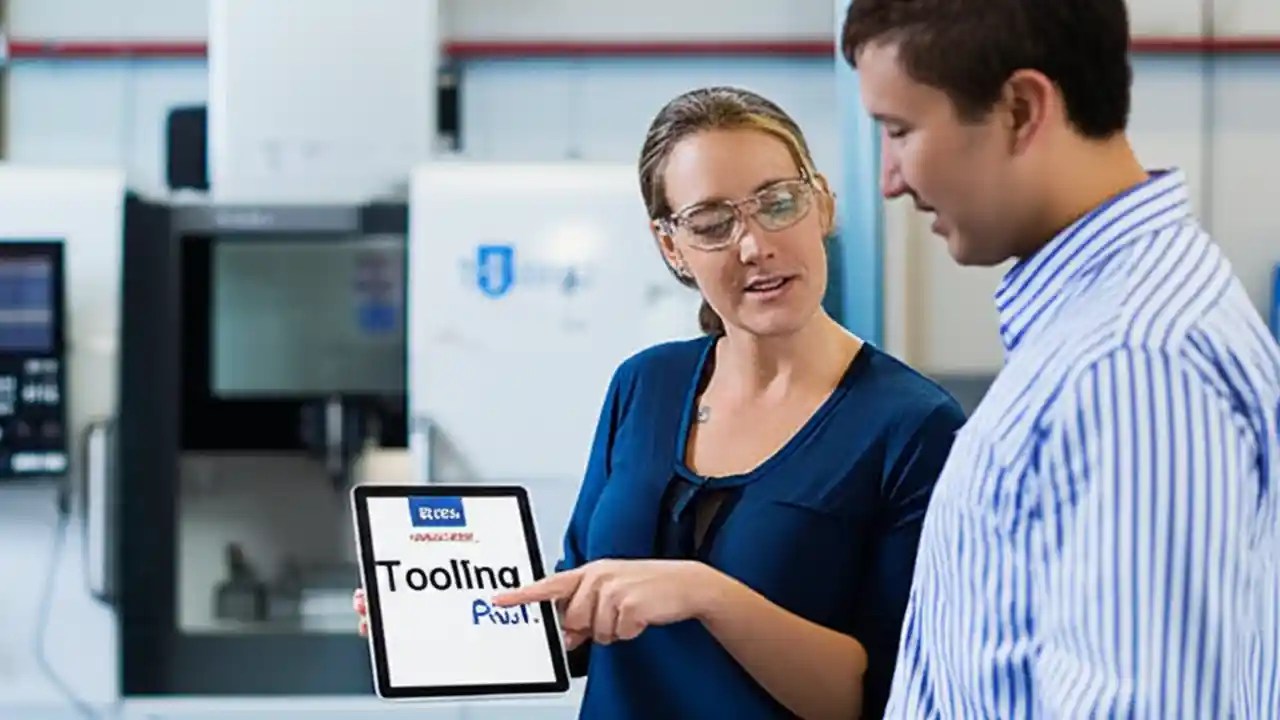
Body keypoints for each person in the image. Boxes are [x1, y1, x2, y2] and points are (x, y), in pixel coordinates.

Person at [356, 86, 966, 719]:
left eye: (778, 204)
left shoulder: (913, 426)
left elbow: (887, 695)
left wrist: (707, 594)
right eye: (711, 223)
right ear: (671, 246)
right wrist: (443, 624)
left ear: (822, 206)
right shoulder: (645, 385)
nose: (754, 246)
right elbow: (583, 621)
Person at [839, 0, 1280, 718]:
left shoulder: (1133, 363)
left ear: (1019, 109)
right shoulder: (1105, 328)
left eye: (900, 130)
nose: (889, 177)